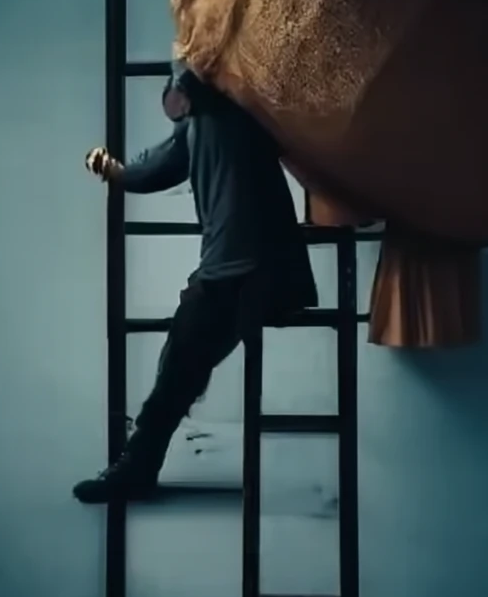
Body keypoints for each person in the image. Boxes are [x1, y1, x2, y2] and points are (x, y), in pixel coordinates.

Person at [73, 60, 317, 503]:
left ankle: (137, 468)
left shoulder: (239, 110)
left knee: (180, 367)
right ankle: (138, 466)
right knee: (180, 365)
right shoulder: (204, 123)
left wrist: (115, 170)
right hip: (238, 269)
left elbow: (167, 136)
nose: (174, 93)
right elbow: (156, 168)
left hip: (249, 270)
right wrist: (113, 170)